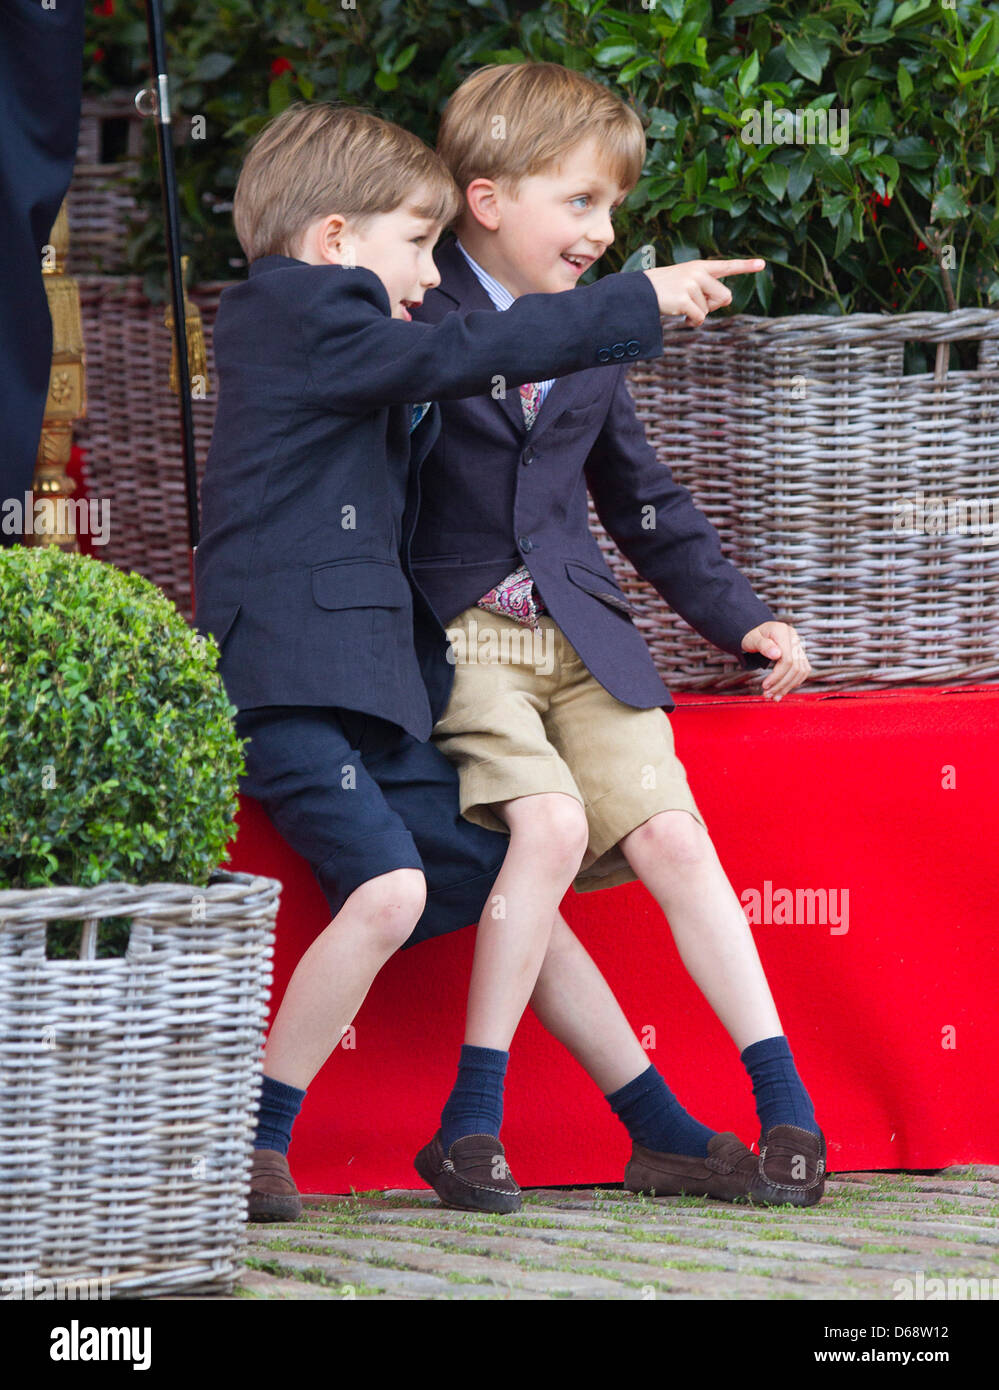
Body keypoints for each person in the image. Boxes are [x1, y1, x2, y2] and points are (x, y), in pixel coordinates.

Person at [193, 100, 758, 1219]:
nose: (430, 270)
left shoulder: (341, 316)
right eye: (416, 243)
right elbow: (467, 348)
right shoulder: (295, 313)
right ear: (334, 239)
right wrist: (629, 300)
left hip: (372, 680)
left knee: (515, 878)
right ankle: (254, 1141)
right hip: (296, 685)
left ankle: (656, 1128)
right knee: (395, 884)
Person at [409, 61, 825, 1211]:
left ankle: (788, 1107)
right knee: (541, 823)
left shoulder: (589, 339)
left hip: (581, 636)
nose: (603, 232)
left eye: (613, 209)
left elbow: (644, 501)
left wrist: (741, 617)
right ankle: (472, 1121)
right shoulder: (412, 307)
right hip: (464, 642)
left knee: (678, 840)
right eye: (580, 202)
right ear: (487, 201)